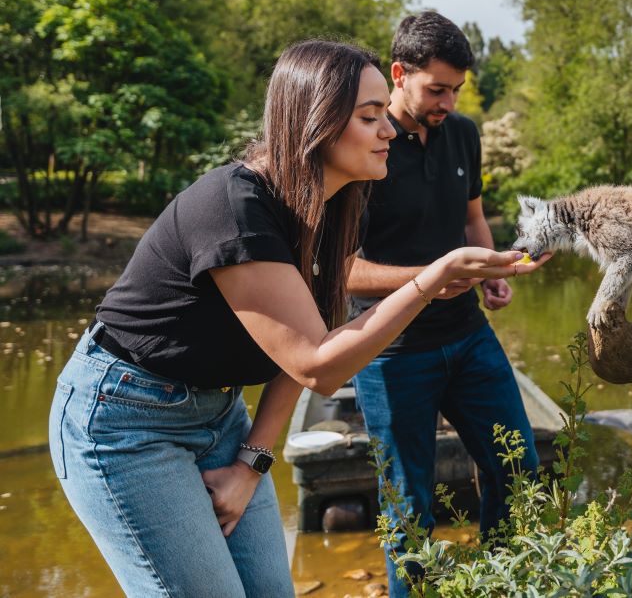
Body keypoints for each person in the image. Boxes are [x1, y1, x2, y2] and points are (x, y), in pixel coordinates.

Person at [48, 40, 547, 598]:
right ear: (316, 123)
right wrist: (432, 279)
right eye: (370, 117)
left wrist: (250, 464)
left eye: (384, 114)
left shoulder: (337, 204)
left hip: (220, 413)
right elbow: (318, 367)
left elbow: (312, 340)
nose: (389, 131)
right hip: (126, 419)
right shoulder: (234, 207)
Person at [347, 11, 536, 596]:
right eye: (437, 89)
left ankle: (505, 586)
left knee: (519, 470)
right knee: (408, 508)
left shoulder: (463, 133)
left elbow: (472, 217)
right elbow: (342, 270)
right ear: (399, 74)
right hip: (391, 350)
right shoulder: (362, 144)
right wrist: (431, 278)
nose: (448, 103)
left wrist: (491, 270)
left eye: (456, 90)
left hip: (468, 336)